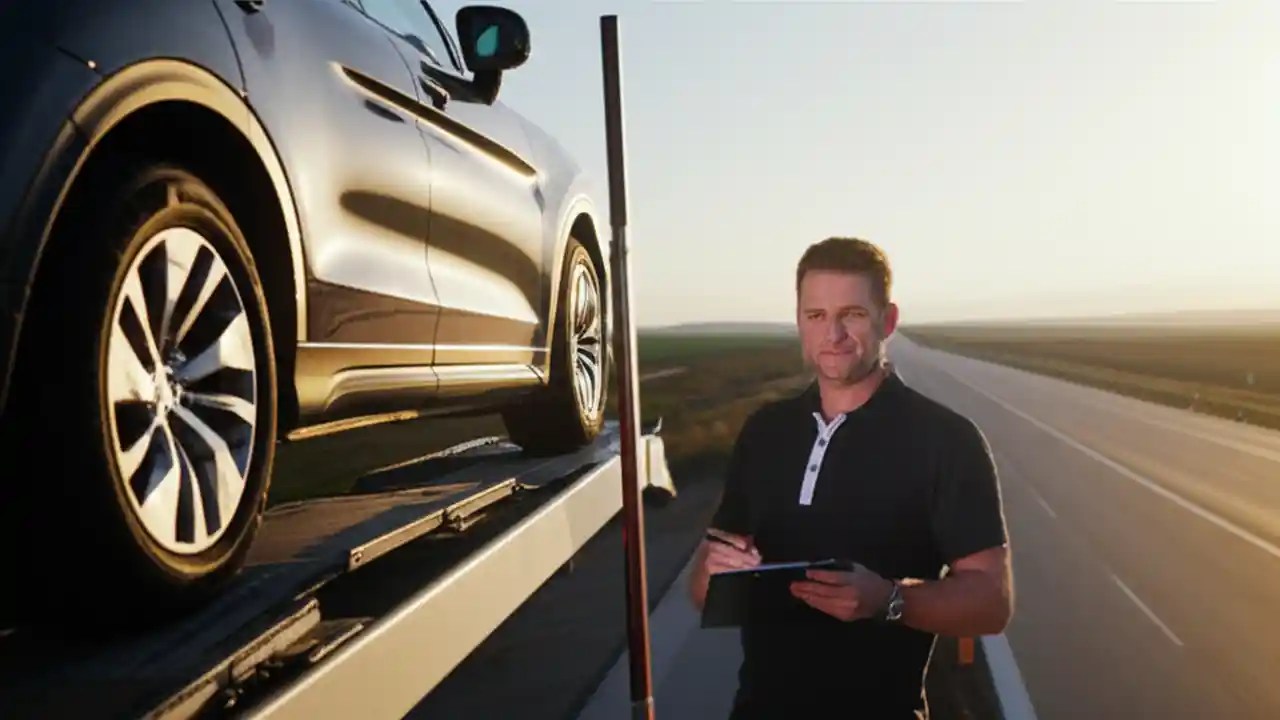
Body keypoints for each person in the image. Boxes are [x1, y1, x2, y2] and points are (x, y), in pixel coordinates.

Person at [688, 236, 1013, 719]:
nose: (833, 334)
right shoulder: (764, 431)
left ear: (888, 320)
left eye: (852, 314)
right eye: (816, 315)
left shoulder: (947, 440)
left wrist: (889, 600)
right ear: (799, 320)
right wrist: (714, 574)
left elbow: (992, 602)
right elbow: (701, 591)